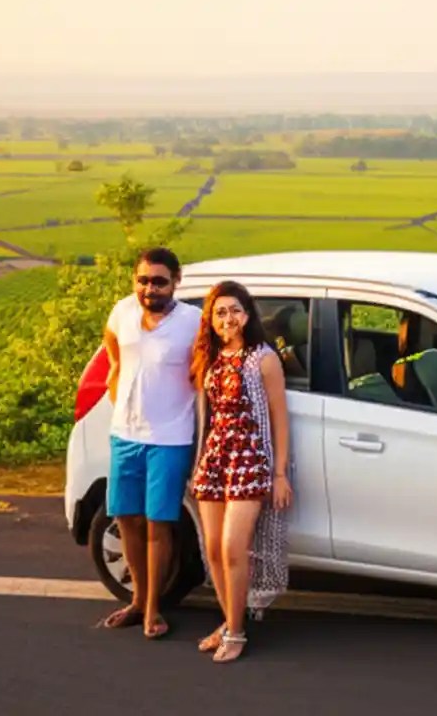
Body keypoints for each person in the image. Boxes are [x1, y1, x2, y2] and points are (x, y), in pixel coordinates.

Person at [97, 247, 203, 639]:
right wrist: (117, 391)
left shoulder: (193, 321)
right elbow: (115, 357)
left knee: (160, 524)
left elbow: (201, 376)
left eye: (159, 280)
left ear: (177, 280)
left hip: (170, 438)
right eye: (142, 279)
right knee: (126, 518)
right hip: (124, 434)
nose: (149, 287)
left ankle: (153, 609)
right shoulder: (121, 311)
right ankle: (138, 600)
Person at [188, 280, 293, 663]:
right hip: (216, 456)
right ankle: (227, 620)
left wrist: (279, 473)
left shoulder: (262, 359)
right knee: (213, 550)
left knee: (234, 548)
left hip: (249, 458)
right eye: (220, 312)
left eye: (234, 310)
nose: (228, 318)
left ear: (247, 316)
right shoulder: (210, 358)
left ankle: (236, 632)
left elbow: (280, 419)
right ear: (211, 320)